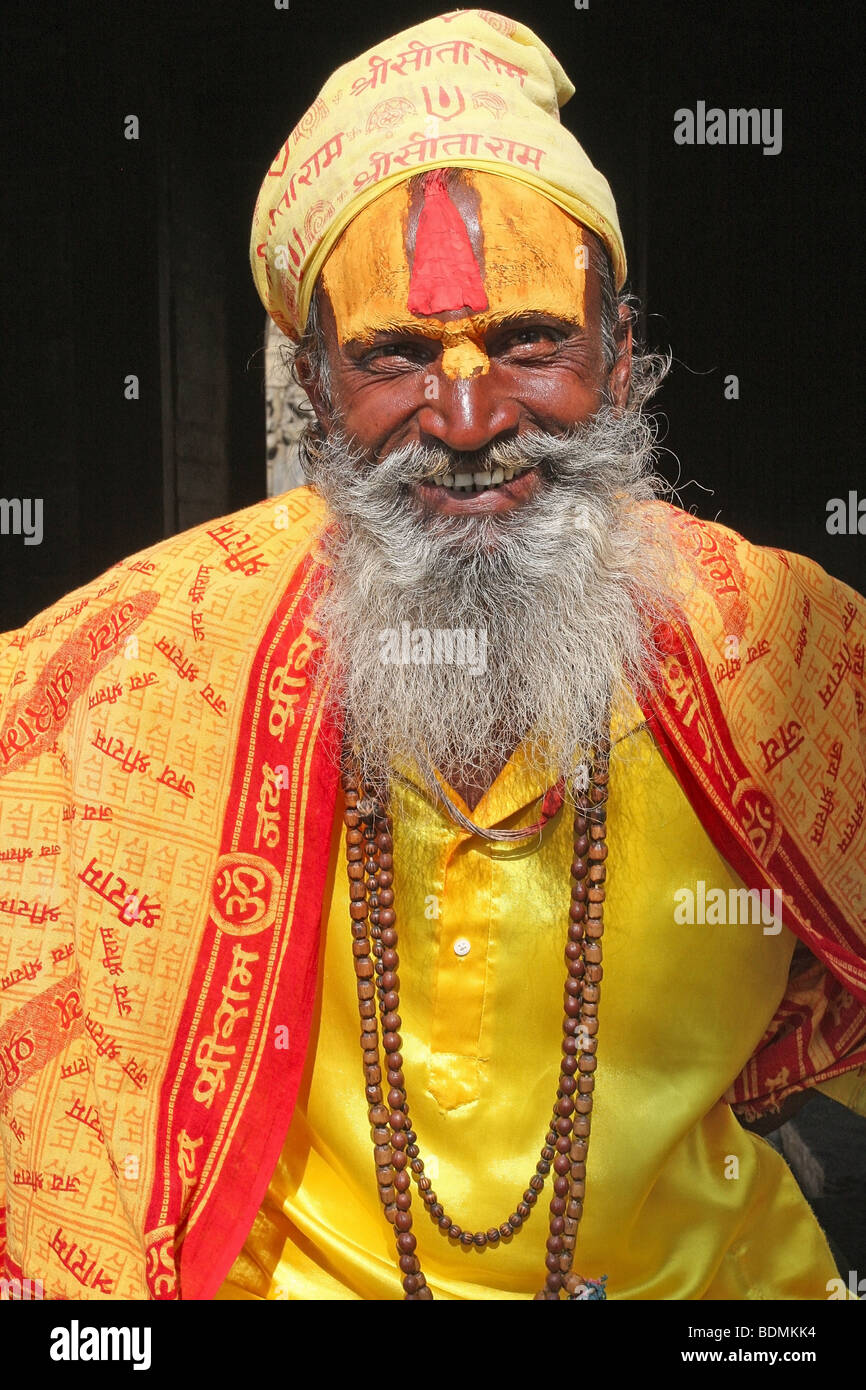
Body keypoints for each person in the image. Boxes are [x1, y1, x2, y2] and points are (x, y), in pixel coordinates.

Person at [0, 9, 864, 1303]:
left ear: (618, 356)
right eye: (394, 357)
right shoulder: (125, 672)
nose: (465, 420)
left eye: (528, 342)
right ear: (310, 385)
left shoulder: (794, 652)